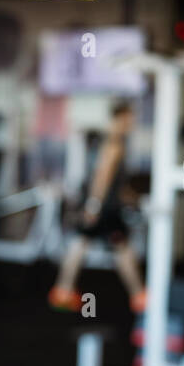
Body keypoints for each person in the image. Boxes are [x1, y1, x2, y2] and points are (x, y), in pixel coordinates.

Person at [48, 101, 146, 312]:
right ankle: (139, 295)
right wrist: (94, 206)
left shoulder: (108, 141)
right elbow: (102, 176)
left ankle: (63, 291)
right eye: (129, 119)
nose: (132, 123)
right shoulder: (113, 143)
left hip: (102, 205)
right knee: (120, 246)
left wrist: (129, 197)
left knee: (82, 242)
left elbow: (112, 181)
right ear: (119, 118)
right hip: (104, 208)